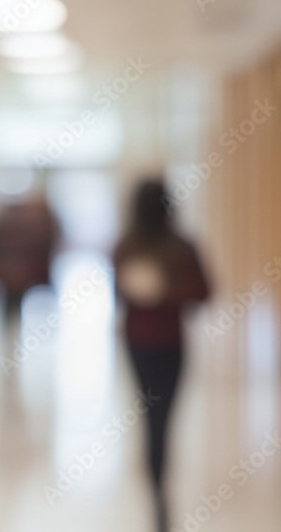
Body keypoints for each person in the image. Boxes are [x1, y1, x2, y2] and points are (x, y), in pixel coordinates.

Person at [113, 180, 209, 532]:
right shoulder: (159, 246)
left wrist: (162, 290)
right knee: (158, 414)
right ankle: (157, 478)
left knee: (155, 415)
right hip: (159, 343)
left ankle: (157, 478)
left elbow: (202, 291)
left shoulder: (136, 246)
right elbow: (203, 292)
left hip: (149, 342)